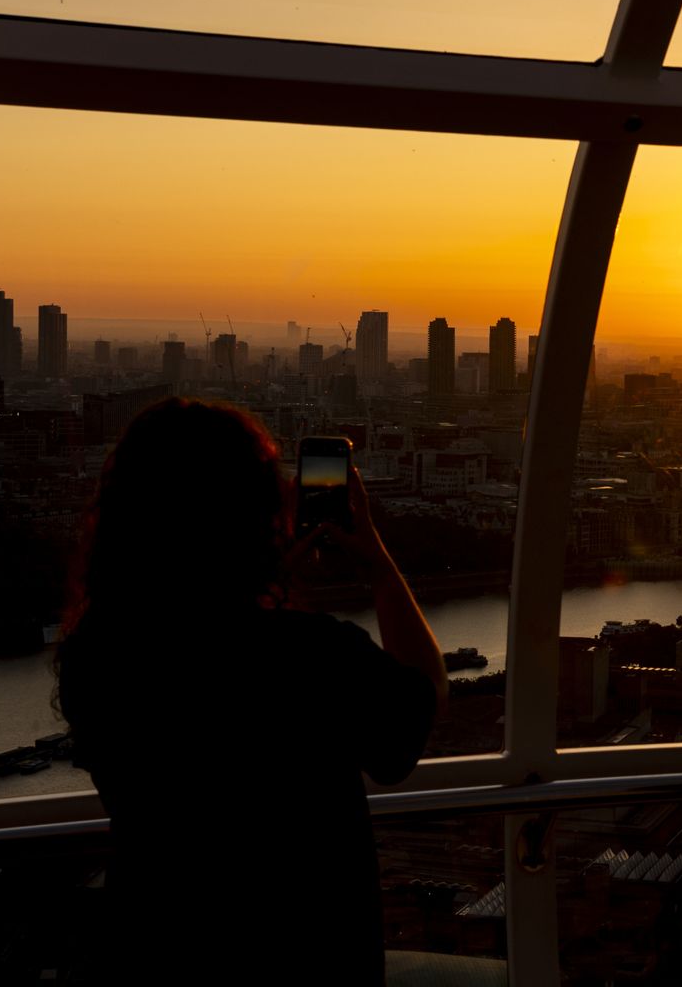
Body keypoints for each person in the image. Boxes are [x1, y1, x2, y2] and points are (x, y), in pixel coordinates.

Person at [58, 400, 446, 984]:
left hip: (156, 949)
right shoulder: (310, 655)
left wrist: (265, 584)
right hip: (303, 954)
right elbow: (416, 711)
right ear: (256, 513)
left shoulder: (97, 655)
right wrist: (377, 560)